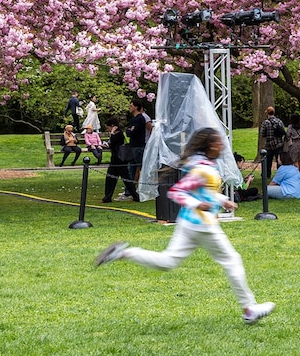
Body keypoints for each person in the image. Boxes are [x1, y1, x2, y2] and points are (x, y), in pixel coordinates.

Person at [95, 128, 275, 325]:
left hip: (189, 223)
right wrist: (198, 204)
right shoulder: (202, 168)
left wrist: (223, 200)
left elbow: (203, 191)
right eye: (220, 142)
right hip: (203, 224)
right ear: (212, 146)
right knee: (232, 260)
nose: (223, 145)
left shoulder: (203, 165)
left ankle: (123, 253)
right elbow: (176, 192)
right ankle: (249, 309)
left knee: (168, 261)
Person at [101, 119, 137, 202]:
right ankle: (107, 197)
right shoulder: (115, 134)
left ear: (113, 126)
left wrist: (112, 133)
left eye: (108, 127)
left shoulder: (119, 134)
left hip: (119, 160)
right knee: (111, 179)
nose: (108, 130)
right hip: (115, 159)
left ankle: (135, 195)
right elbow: (112, 144)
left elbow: (114, 141)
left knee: (125, 178)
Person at [126, 100, 151, 200]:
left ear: (136, 107)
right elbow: (128, 132)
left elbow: (133, 132)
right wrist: (130, 130)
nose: (130, 107)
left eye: (131, 106)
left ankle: (142, 189)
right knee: (131, 169)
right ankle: (129, 191)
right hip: (133, 146)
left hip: (138, 146)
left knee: (140, 167)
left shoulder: (140, 118)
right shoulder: (133, 119)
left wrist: (131, 130)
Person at [258, 106, 286, 179]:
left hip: (269, 145)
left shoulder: (265, 123)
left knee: (267, 161)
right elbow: (283, 131)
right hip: (279, 144)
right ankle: (280, 175)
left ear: (267, 113)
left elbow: (262, 134)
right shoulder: (279, 121)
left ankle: (267, 175)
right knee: (279, 160)